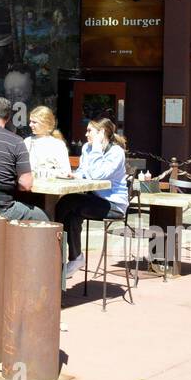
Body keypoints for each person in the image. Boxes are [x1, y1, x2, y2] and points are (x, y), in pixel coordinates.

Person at [57, 117, 129, 277]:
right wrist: (74, 175)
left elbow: (97, 175)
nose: (86, 134)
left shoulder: (115, 152)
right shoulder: (87, 149)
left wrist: (96, 147)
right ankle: (74, 258)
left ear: (102, 132)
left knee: (68, 203)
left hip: (113, 205)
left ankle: (55, 248)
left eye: (90, 131)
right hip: (95, 198)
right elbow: (84, 171)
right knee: (69, 210)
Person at [25, 106, 71, 178]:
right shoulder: (27, 142)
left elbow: (66, 171)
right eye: (30, 121)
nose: (30, 125)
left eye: (34, 122)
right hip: (30, 186)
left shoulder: (58, 144)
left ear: (45, 123)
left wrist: (51, 172)